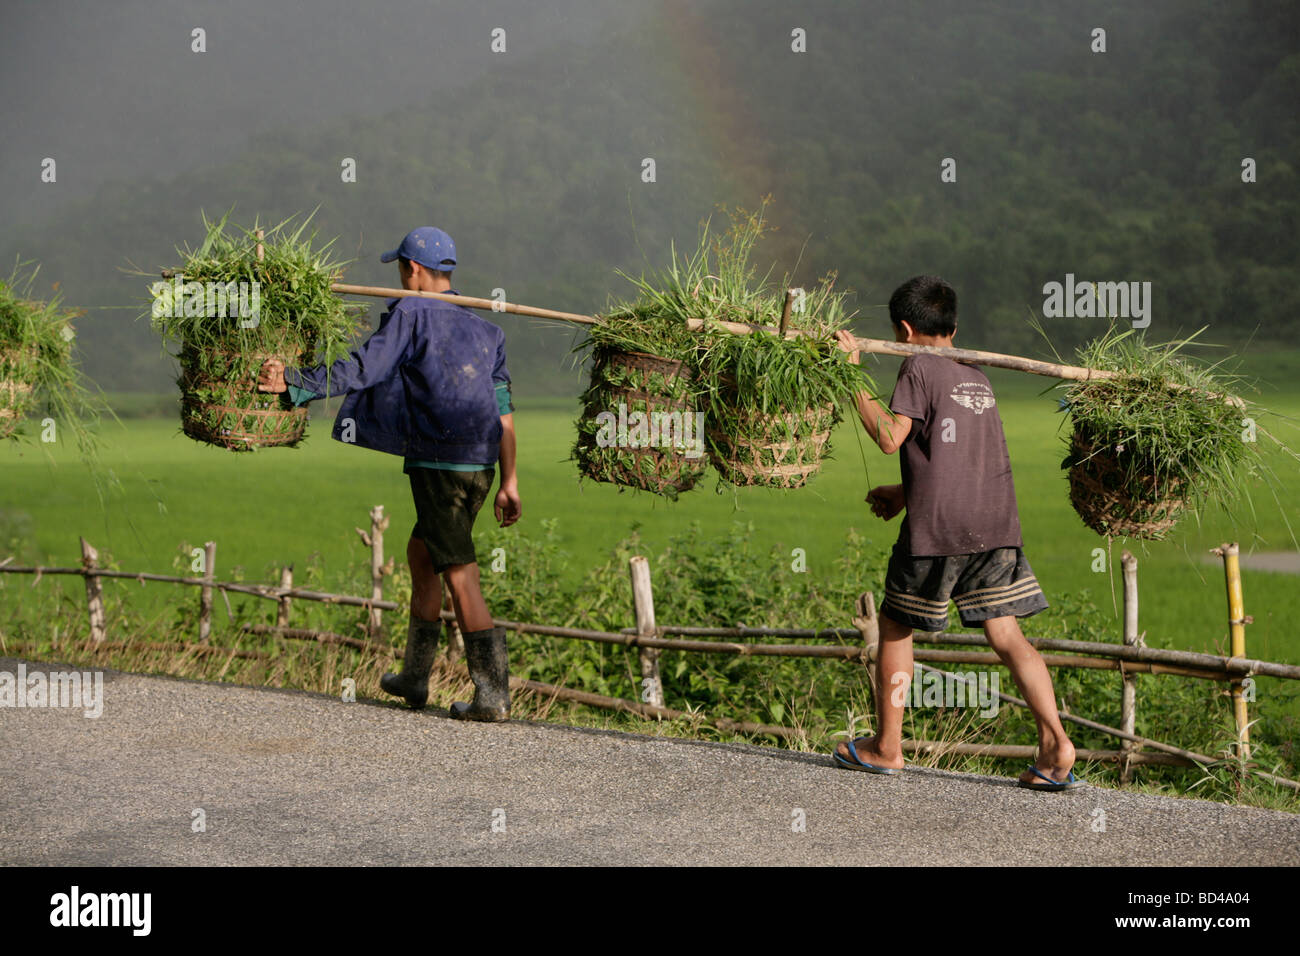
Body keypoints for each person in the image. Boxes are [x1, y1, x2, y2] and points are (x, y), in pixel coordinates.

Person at [257, 226, 520, 721]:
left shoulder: (411, 312)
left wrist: (295, 381)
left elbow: (364, 367)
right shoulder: (488, 330)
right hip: (480, 466)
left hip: (440, 466)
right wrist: (509, 482)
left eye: (401, 268)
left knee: (460, 574)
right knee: (422, 556)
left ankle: (492, 694)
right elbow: (504, 411)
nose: (400, 277)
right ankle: (415, 677)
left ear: (413, 270)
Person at [833, 275, 1081, 791]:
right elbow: (954, 456)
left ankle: (886, 748)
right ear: (953, 325)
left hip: (940, 530)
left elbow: (888, 436)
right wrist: (903, 493)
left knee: (896, 626)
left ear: (904, 329)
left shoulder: (918, 366)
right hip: (995, 523)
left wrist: (849, 378)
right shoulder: (976, 375)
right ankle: (1057, 745)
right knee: (1006, 632)